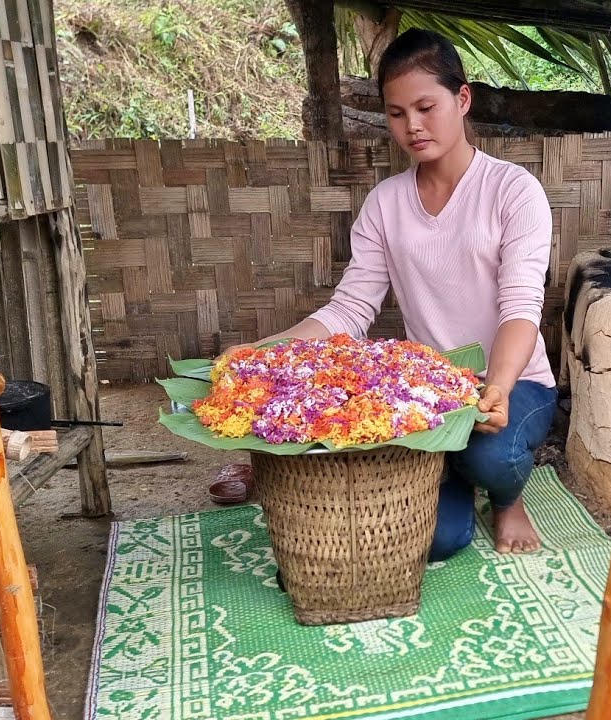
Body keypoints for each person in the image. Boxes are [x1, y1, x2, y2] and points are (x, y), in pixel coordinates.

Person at [223, 29, 556, 560]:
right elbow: (351, 308)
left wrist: (497, 386)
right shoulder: (385, 203)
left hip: (516, 383)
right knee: (438, 542)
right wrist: (266, 351)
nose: (413, 126)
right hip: (430, 391)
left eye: (426, 107)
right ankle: (449, 468)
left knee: (492, 456)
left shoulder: (513, 191)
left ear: (462, 98)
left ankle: (506, 498)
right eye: (397, 113)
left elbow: (520, 307)